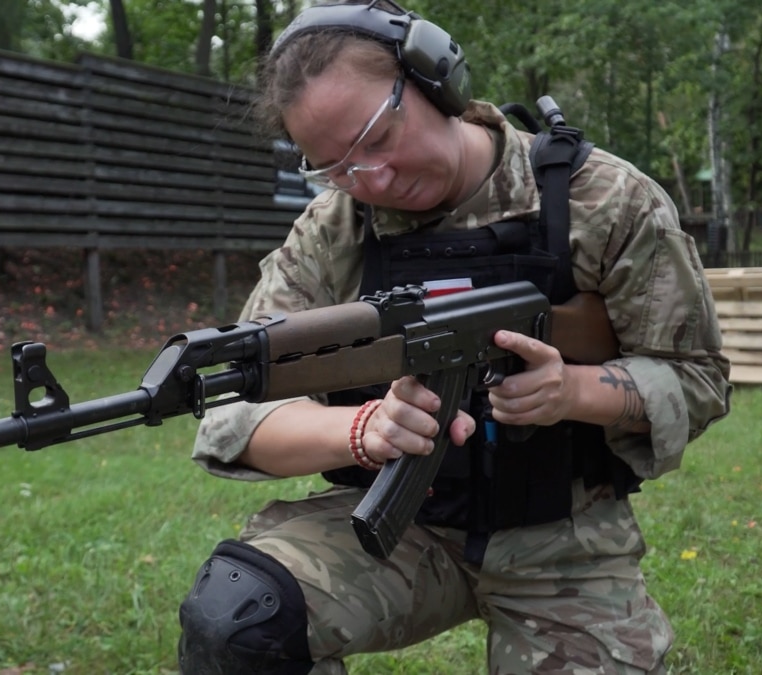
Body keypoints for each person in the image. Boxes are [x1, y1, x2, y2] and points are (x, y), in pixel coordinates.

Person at [177, 1, 732, 673]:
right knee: (239, 618)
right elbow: (237, 412)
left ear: (435, 79)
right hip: (394, 530)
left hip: (565, 542)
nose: (370, 180)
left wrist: (573, 389)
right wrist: (361, 430)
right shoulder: (335, 230)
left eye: (377, 139)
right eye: (336, 167)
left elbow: (697, 375)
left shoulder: (604, 199)